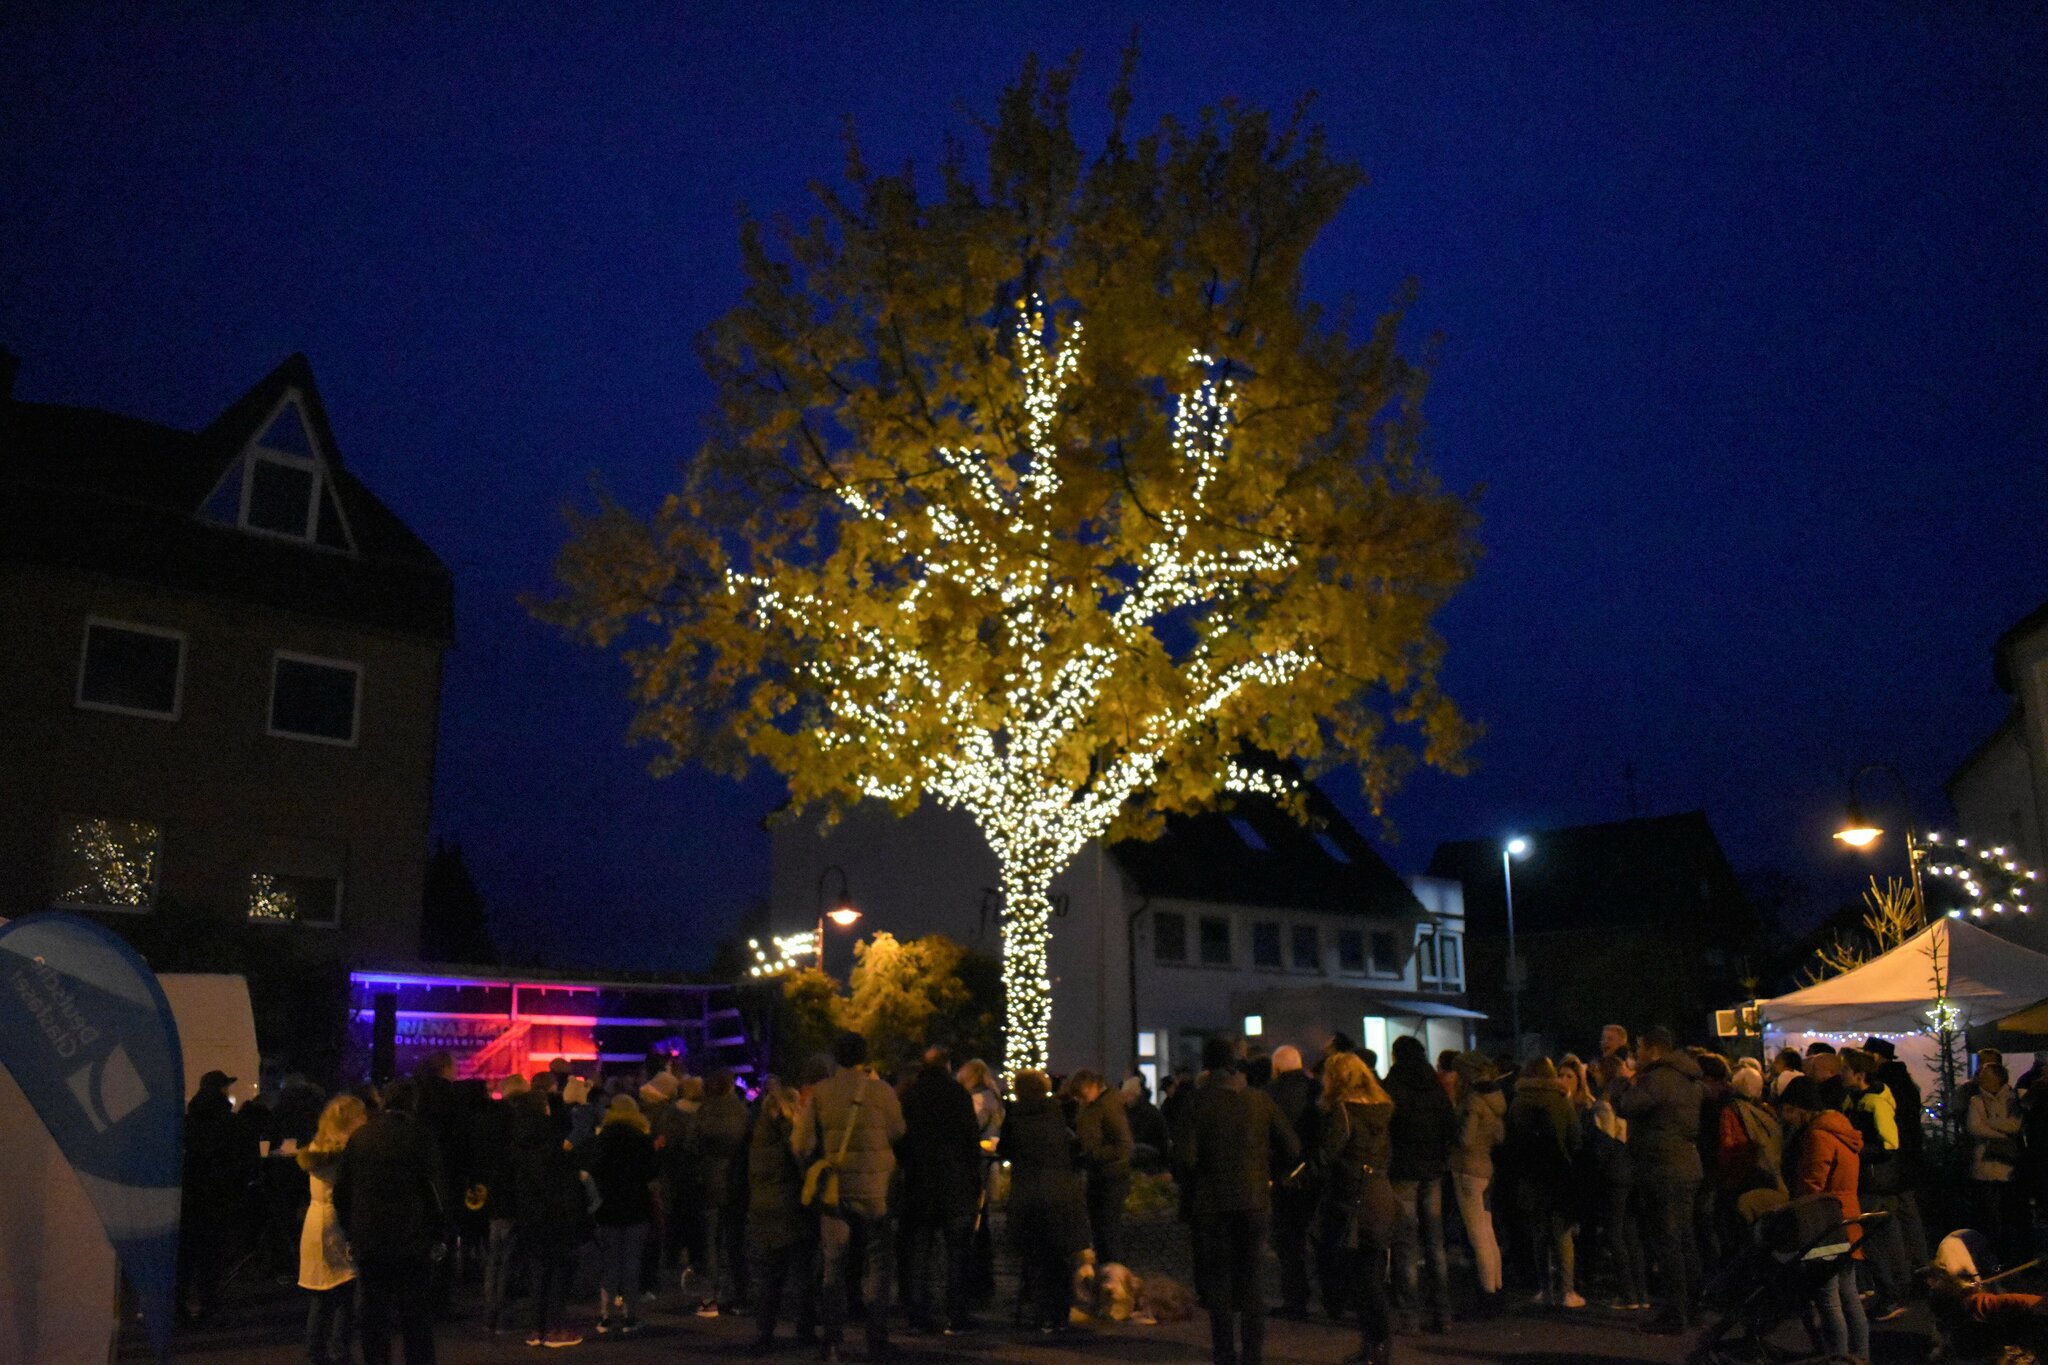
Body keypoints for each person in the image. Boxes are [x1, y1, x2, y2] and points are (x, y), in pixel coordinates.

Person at [1177, 1034, 1300, 1365]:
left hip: (1212, 1202)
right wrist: (1268, 1172)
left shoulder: (1196, 1102)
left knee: (1218, 1282)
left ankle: (1224, 1353)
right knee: (1251, 1280)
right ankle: (1253, 1355)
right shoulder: (1259, 1100)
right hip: (1254, 1199)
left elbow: (1186, 1158)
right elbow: (1292, 1147)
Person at [793, 1031, 907, 1363]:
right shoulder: (882, 1091)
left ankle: (831, 1342)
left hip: (836, 1189)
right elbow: (898, 1130)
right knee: (879, 1263)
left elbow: (801, 1143)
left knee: (834, 1265)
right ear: (863, 1056)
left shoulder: (822, 1093)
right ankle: (876, 1337)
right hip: (876, 1189)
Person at [334, 1078, 446, 1365]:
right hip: (411, 1238)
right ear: (413, 1102)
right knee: (415, 1315)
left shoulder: (361, 1137)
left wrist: (351, 1231)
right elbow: (433, 1190)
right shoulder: (420, 1136)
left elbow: (342, 1191)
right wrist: (438, 1232)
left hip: (369, 1238)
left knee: (374, 1314)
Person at [1614, 1026, 1704, 1335]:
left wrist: (1621, 1082)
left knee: (1668, 1242)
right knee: (1685, 1239)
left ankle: (1675, 1313)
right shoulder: (1687, 1076)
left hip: (1662, 1168)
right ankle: (1692, 1308)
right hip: (1685, 1164)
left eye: (1638, 1048)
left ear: (1653, 1050)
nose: (1635, 1054)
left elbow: (1626, 1106)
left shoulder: (1658, 1079)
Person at [1779, 1076, 1868, 1362]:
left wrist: (1795, 1211)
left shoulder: (1818, 1135)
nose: (1786, 1117)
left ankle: (1838, 1358)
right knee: (1849, 1294)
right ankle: (1861, 1356)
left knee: (1828, 1299)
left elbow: (1812, 1184)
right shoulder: (1843, 1131)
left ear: (1801, 1108)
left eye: (1789, 1110)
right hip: (1848, 1216)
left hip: (1825, 1221)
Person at [1318, 1051, 1398, 1365]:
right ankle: (1375, 1347)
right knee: (1372, 1274)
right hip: (1379, 1192)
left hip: (1353, 1198)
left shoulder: (1342, 1111)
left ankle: (1376, 1346)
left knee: (1362, 1278)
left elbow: (1329, 1154)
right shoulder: (1383, 1109)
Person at [899, 1046, 982, 1335]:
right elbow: (971, 1139)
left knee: (920, 1252)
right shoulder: (958, 1094)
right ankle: (957, 1314)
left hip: (920, 1183)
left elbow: (901, 1139)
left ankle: (918, 1313)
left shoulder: (912, 1095)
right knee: (957, 1253)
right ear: (947, 1065)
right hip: (955, 1183)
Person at [1000, 1068, 1090, 1333]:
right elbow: (1075, 1148)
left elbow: (1005, 1149)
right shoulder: (1058, 1114)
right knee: (1059, 1257)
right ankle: (1060, 1314)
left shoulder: (1015, 1118)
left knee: (1035, 1257)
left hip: (1028, 1193)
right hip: (1060, 1193)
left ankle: (1040, 1313)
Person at [1384, 1034, 1456, 1333]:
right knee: (1435, 1243)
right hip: (1433, 1171)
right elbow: (1450, 1127)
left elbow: (1386, 1129)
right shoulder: (1434, 1088)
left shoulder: (1392, 1087)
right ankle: (1443, 1313)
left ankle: (1410, 1316)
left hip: (1402, 1171)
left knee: (1406, 1244)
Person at [508, 1089, 590, 1349]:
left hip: (528, 1213)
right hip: (555, 1214)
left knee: (537, 1272)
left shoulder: (517, 1139)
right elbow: (563, 1180)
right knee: (559, 1271)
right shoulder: (552, 1139)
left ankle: (536, 1328)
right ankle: (555, 1328)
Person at [1507, 1057, 1584, 1309]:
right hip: (1559, 1173)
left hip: (1530, 1175)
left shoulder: (1518, 1102)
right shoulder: (1560, 1101)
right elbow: (1575, 1139)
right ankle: (1567, 1291)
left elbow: (1511, 1142)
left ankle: (1545, 1289)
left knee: (1539, 1233)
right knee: (1562, 1234)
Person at [749, 1071, 818, 1352]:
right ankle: (805, 1330)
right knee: (802, 1275)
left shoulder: (759, 1136)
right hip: (790, 1209)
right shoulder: (788, 1132)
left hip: (763, 1209)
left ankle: (764, 1333)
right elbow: (801, 1162)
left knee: (770, 1276)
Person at [1839, 1049, 1909, 1323]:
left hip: (1875, 1182)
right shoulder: (1854, 1099)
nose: (1841, 1074)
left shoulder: (1875, 1103)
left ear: (1860, 1075)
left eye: (1845, 1069)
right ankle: (1893, 1292)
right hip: (1868, 1180)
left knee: (1872, 1239)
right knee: (1880, 1238)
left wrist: (1856, 1150)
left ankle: (1891, 1294)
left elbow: (1890, 1144)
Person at [582, 1094, 660, 1336]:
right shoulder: (642, 1139)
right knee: (632, 1262)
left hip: (608, 1207)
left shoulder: (601, 1140)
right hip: (636, 1207)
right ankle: (630, 1315)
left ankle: (605, 1315)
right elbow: (652, 1173)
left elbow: (593, 1171)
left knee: (610, 1262)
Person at [298, 1094, 367, 1365]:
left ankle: (314, 1351)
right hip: (336, 1222)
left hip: (314, 1221)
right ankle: (339, 1351)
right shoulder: (346, 1153)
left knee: (320, 1295)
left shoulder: (317, 1148)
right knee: (344, 1291)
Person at [177, 1070, 244, 1325]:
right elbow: (240, 1161)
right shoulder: (229, 1123)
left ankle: (179, 1305)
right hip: (217, 1199)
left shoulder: (187, 1121)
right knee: (212, 1257)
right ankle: (209, 1306)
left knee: (185, 1256)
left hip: (189, 1198)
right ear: (221, 1090)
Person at [1264, 1046, 1320, 1319]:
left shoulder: (1269, 1093)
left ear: (1276, 1068)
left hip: (1284, 1176)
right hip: (1316, 1173)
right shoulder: (1316, 1089)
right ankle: (1332, 1295)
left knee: (1289, 1242)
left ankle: (1295, 1299)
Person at [1448, 1051, 1506, 1313]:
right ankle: (1496, 1286)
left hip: (1468, 1169)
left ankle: (1487, 1294)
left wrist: (1453, 1132)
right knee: (1488, 1232)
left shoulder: (1473, 1100)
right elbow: (1499, 1136)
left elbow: (1466, 1139)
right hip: (1486, 1166)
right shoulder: (1495, 1098)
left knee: (1477, 1235)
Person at [1588, 1072, 1648, 1311]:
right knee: (1631, 1233)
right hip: (1634, 1171)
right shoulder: (1638, 1110)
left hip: (1616, 1173)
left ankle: (1627, 1293)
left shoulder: (1605, 1108)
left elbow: (1605, 1142)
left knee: (1615, 1232)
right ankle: (1640, 1293)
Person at [695, 1068, 751, 1316]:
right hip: (736, 1182)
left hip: (710, 1181)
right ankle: (741, 1295)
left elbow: (691, 1144)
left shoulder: (704, 1112)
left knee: (710, 1242)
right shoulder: (742, 1113)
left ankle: (710, 1298)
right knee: (736, 1242)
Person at [472, 1075, 525, 1336]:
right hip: (511, 1197)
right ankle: (503, 1315)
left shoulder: (486, 1122)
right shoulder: (517, 1124)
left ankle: (489, 1313)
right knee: (508, 1259)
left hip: (492, 1197)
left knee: (494, 1259)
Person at [1968, 1061, 2029, 1267]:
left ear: (1997, 1078)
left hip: (2009, 1167)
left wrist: (1989, 1122)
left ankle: (2015, 1258)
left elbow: (2016, 1124)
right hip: (1985, 1169)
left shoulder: (2014, 1099)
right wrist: (2003, 1135)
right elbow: (1974, 1127)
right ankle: (1997, 1259)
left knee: (2012, 1215)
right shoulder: (1976, 1100)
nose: (1981, 1077)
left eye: (1986, 1075)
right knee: (1990, 1218)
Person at [957, 1058, 1005, 1303]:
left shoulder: (979, 1100)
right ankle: (983, 1282)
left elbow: (970, 1129)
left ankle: (976, 1283)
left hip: (977, 1165)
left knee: (976, 1224)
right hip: (985, 1163)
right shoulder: (993, 1098)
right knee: (981, 1222)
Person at [1124, 1075, 1171, 1172]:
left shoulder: (1145, 1113)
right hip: (1155, 1155)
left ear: (1134, 1095)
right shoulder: (1147, 1110)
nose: (1125, 1099)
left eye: (1127, 1096)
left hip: (1150, 1158)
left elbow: (1140, 1136)